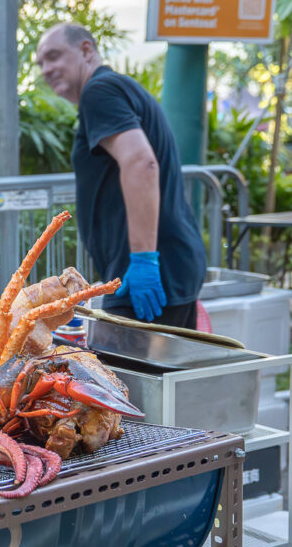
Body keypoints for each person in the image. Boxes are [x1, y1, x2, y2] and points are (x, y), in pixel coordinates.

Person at [35, 23, 206, 327]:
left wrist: (143, 260)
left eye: (54, 56)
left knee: (122, 362)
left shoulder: (99, 92)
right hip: (166, 263)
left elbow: (141, 162)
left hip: (150, 271)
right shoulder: (115, 89)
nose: (46, 69)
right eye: (41, 63)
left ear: (86, 50)